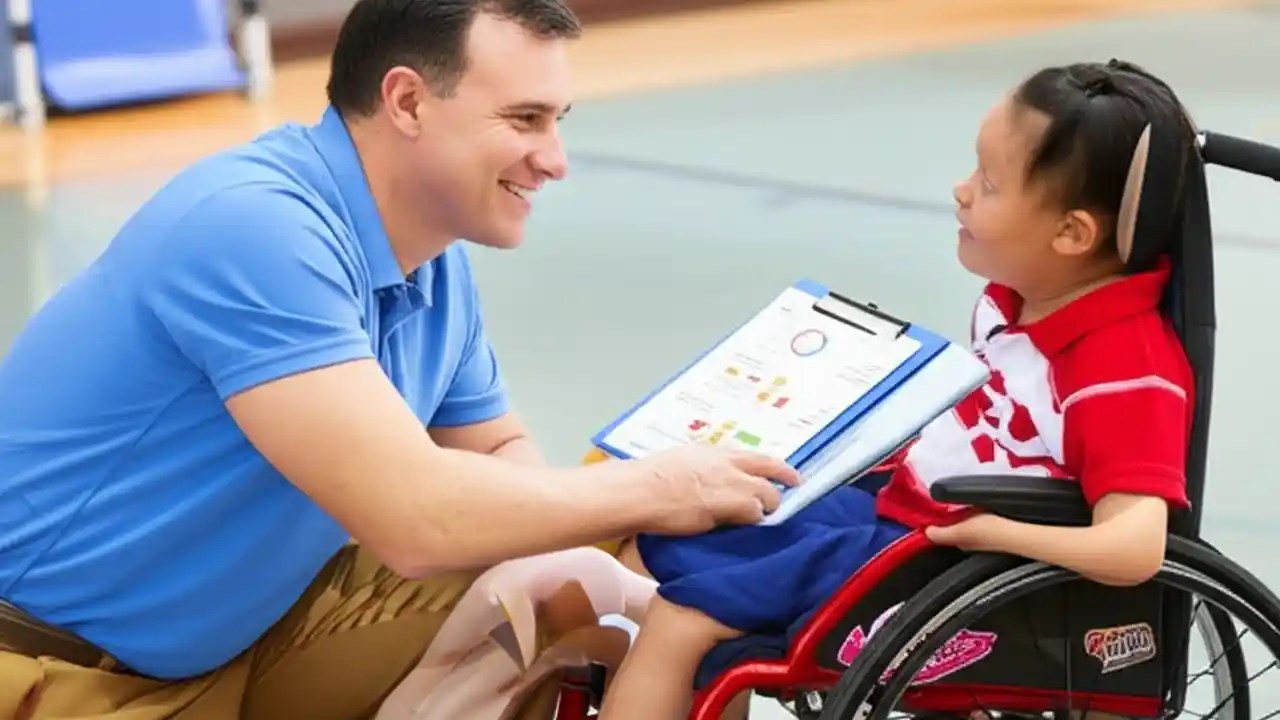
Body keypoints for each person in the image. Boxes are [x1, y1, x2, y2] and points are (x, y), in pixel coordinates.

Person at [0, 1, 799, 718]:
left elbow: (496, 459)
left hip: (237, 643)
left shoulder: (429, 259)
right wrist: (658, 488)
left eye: (557, 121)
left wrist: (659, 556)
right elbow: (418, 522)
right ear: (408, 101)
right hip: (58, 676)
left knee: (574, 589)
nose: (555, 159)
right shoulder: (254, 228)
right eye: (524, 120)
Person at [597, 59, 1199, 719]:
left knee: (683, 618)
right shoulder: (1021, 301)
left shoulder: (1125, 368)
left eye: (990, 184)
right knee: (659, 535)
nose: (961, 191)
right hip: (901, 514)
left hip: (944, 560)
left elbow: (1134, 547)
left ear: (1071, 233)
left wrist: (992, 533)